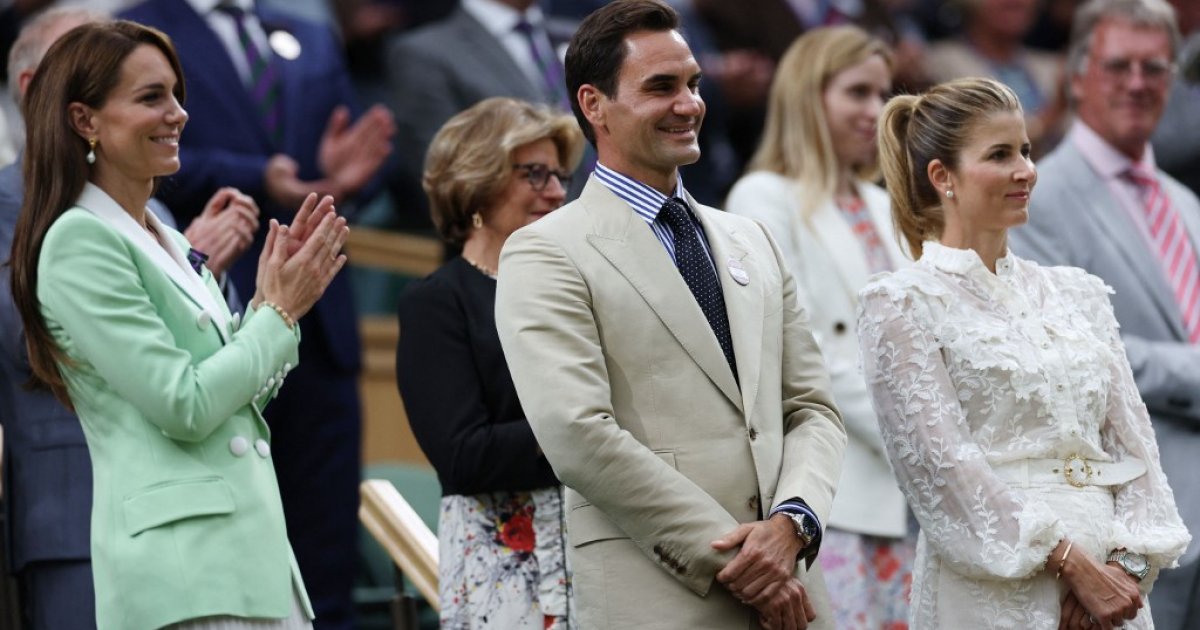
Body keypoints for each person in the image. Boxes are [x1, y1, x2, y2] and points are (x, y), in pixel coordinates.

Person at [494, 1, 847, 628]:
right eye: (661, 87)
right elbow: (577, 434)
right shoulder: (544, 250)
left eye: (693, 84)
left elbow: (812, 408)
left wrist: (794, 523)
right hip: (661, 594)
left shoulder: (753, 240)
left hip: (793, 588)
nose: (689, 104)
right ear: (594, 105)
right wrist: (738, 557)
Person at [7, 20, 349, 629]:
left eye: (176, 94)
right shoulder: (78, 240)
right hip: (184, 574)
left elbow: (239, 399)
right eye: (151, 98)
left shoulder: (163, 233)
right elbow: (184, 404)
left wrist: (275, 303)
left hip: (252, 564)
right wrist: (277, 313)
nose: (178, 114)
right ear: (85, 121)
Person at [860, 76, 1190, 629]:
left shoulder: (1080, 293)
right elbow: (944, 474)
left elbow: (1136, 448)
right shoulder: (900, 302)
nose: (1026, 171)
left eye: (1027, 151)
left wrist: (1124, 570)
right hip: (996, 590)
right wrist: (1070, 565)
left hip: (1113, 594)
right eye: (1000, 154)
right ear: (943, 177)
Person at [117, 2, 395, 625]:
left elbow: (362, 156)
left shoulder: (308, 32)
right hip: (210, 314)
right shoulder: (142, 28)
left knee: (327, 561)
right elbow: (133, 155)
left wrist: (340, 180)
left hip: (320, 327)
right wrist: (262, 178)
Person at [1008, 1, 1200, 627]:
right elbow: (1065, 351)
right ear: (1078, 75)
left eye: (1154, 67)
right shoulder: (1034, 197)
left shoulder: (1185, 202)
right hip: (1126, 523)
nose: (1138, 83)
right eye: (1119, 66)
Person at [724, 25, 913, 629]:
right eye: (858, 92)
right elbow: (801, 351)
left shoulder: (886, 203)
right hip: (834, 493)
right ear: (809, 97)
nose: (876, 111)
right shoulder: (762, 197)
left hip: (914, 492)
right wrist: (919, 436)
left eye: (884, 93)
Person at [395, 96, 584, 629]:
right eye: (535, 174)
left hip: (596, 554)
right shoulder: (438, 300)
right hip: (503, 569)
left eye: (560, 175)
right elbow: (463, 456)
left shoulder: (577, 291)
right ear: (478, 182)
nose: (555, 191)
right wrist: (590, 431)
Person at [924, 0, 1069, 156]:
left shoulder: (1052, 66)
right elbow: (986, 145)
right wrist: (1054, 113)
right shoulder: (939, 64)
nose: (1015, 2)